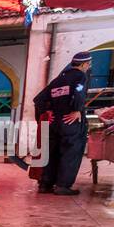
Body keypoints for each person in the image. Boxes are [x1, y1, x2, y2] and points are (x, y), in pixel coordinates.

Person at [32, 51, 92, 195]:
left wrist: (47, 111)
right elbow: (78, 92)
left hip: (54, 123)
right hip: (70, 121)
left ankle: (45, 184)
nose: (88, 67)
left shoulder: (58, 80)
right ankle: (62, 185)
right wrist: (77, 110)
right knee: (71, 152)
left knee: (51, 152)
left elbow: (38, 99)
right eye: (88, 64)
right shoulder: (80, 76)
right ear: (84, 64)